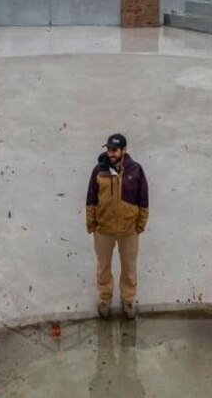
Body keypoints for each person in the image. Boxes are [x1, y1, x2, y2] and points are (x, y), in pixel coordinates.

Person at [86, 133, 149, 320]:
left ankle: (128, 299)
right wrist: (91, 223)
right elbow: (91, 198)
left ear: (124, 150)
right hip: (103, 229)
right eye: (109, 149)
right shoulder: (99, 170)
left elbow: (143, 199)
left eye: (114, 150)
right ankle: (104, 299)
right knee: (103, 267)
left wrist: (140, 224)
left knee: (129, 268)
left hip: (128, 230)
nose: (111, 153)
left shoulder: (136, 170)